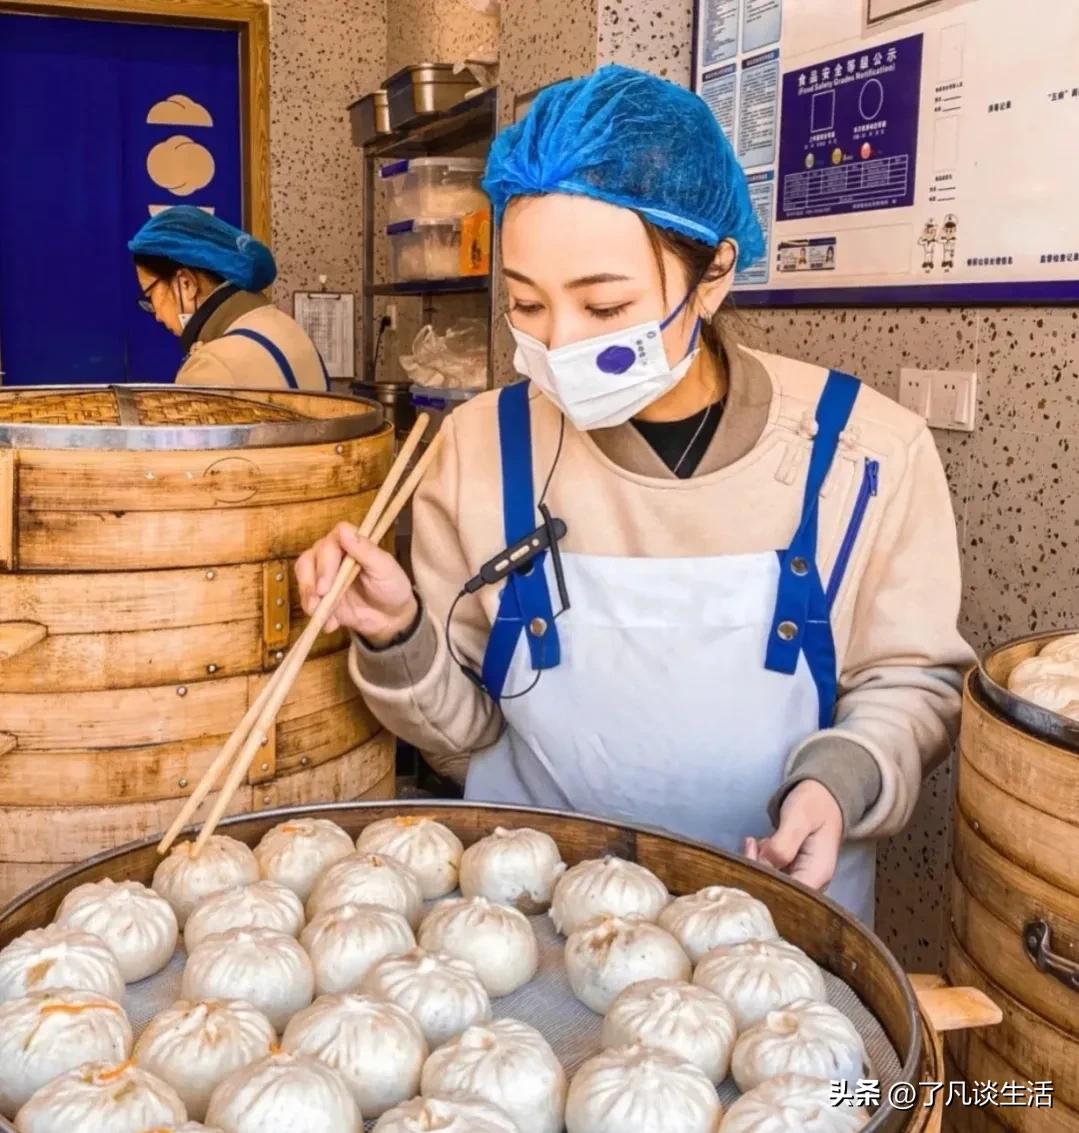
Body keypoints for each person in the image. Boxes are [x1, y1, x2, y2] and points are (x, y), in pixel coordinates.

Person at [295, 66, 973, 924]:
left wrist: (838, 783)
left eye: (603, 305)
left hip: (782, 922)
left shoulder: (862, 452)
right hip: (529, 923)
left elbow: (912, 684)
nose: (558, 345)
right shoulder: (477, 447)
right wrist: (396, 636)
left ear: (715, 273)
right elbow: (463, 735)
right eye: (525, 305)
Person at [130, 207, 329, 390]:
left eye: (150, 295)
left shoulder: (213, 367)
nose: (156, 314)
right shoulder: (292, 330)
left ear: (186, 284)